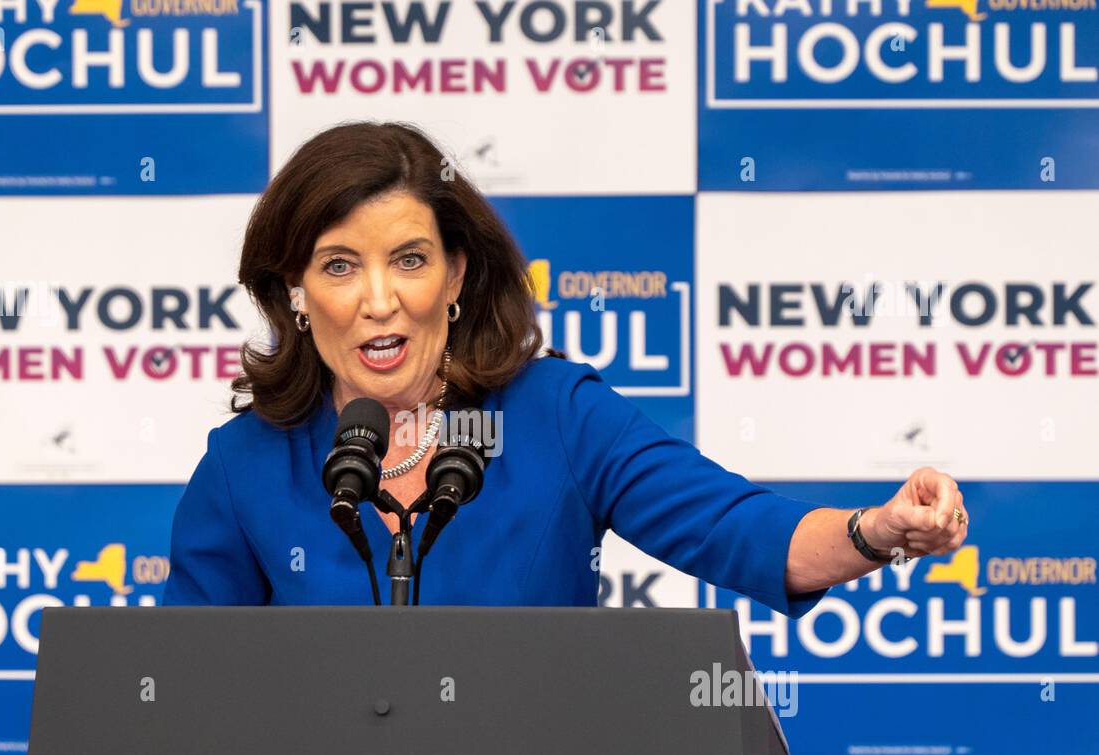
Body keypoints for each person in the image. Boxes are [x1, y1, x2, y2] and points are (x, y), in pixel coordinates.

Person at [162, 121, 968, 609]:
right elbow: (185, 694)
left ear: (457, 277)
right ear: (295, 293)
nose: (379, 300)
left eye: (409, 259)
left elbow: (739, 530)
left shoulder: (554, 414)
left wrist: (880, 530)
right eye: (339, 266)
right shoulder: (245, 466)